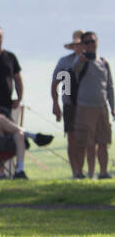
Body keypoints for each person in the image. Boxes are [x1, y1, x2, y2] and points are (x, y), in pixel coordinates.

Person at [67, 32, 113, 179]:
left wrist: (113, 105)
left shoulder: (104, 63)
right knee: (86, 143)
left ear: (97, 42)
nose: (90, 45)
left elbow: (110, 87)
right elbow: (73, 71)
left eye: (92, 41)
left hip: (101, 106)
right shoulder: (78, 61)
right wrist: (81, 60)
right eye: (86, 43)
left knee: (103, 141)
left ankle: (103, 172)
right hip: (84, 106)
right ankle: (86, 173)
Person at [52, 30, 86, 177]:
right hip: (70, 104)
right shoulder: (64, 61)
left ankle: (82, 169)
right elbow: (55, 83)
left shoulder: (92, 61)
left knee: (84, 138)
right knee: (72, 137)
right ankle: (75, 171)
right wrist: (55, 104)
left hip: (87, 104)